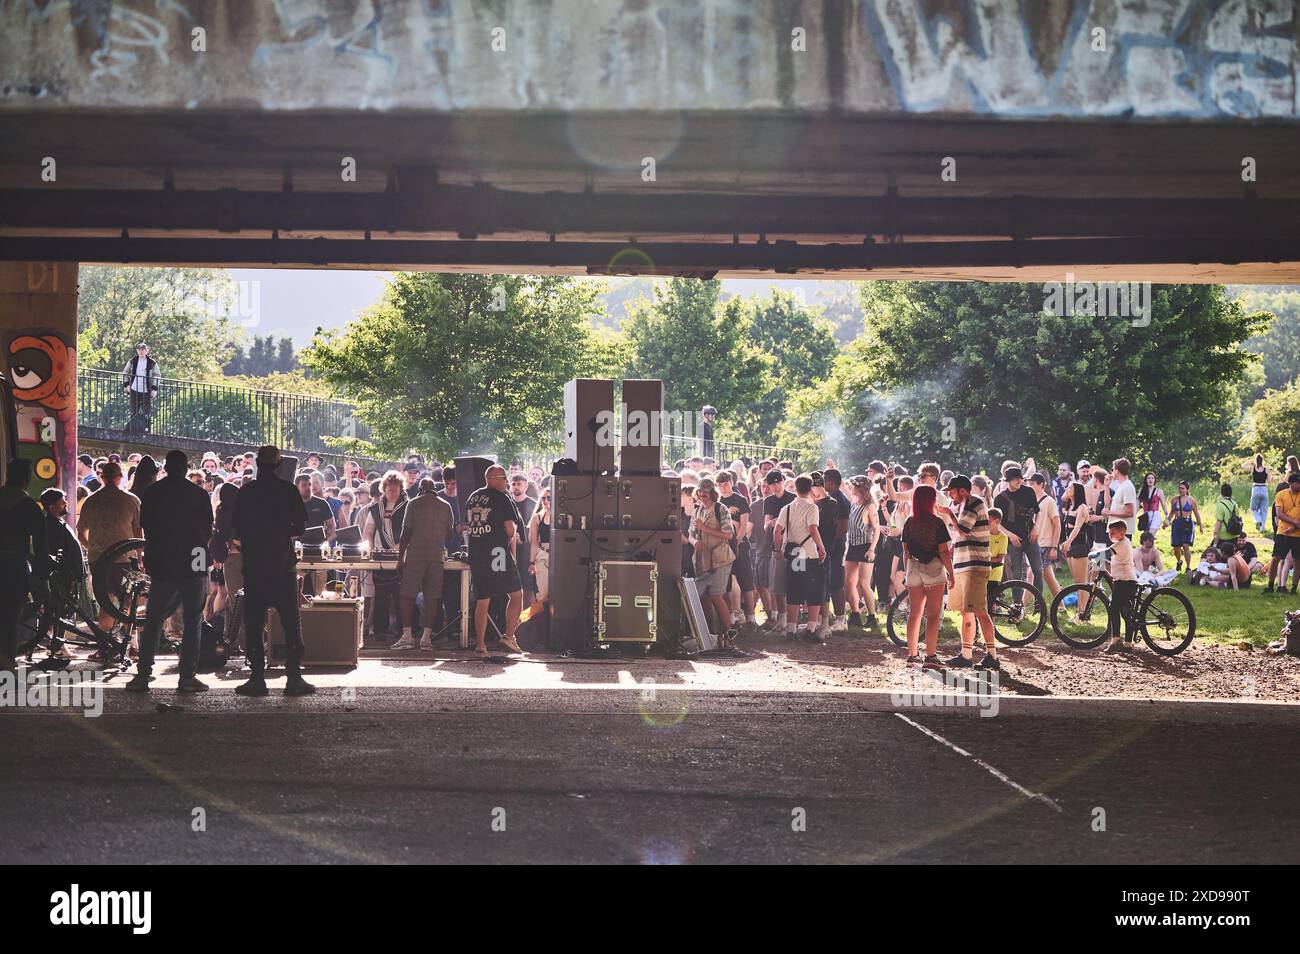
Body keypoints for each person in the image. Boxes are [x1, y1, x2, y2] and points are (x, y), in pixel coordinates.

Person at [126, 451, 214, 693]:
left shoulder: (153, 492)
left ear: (165, 467)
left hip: (163, 560)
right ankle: (187, 677)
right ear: (186, 468)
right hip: (194, 558)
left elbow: (146, 526)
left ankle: (143, 675)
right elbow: (208, 529)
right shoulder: (198, 493)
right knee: (193, 619)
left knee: (154, 618)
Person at [232, 445, 314, 696]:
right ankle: (293, 679)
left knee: (254, 625)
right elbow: (300, 527)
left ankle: (257, 679)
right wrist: (280, 532)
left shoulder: (247, 492)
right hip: (282, 566)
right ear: (279, 465)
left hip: (255, 567)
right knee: (291, 624)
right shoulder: (288, 490)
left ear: (258, 464)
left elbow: (237, 527)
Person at [462, 465, 525, 657]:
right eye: (504, 478)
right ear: (495, 478)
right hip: (497, 553)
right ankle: (508, 636)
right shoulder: (502, 497)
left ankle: (480, 645)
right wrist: (513, 532)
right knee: (516, 594)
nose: (506, 482)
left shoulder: (472, 497)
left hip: (477, 554)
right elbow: (509, 529)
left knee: (483, 599)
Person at [77, 460, 142, 637]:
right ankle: (131, 643)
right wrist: (140, 555)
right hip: (125, 559)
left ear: (101, 477)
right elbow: (138, 531)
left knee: (105, 601)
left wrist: (92, 548)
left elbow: (81, 532)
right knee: (127, 600)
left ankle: (105, 643)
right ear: (120, 477)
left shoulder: (91, 501)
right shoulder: (131, 500)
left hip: (98, 559)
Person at [393, 476, 454, 650]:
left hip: (415, 556)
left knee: (407, 595)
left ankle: (407, 636)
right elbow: (449, 535)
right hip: (436, 556)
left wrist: (400, 559)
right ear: (434, 488)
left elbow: (406, 533)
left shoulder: (413, 503)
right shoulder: (445, 505)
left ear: (420, 489)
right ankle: (426, 639)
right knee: (432, 597)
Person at [944, 475, 997, 670]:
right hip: (966, 565)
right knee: (966, 612)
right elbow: (963, 534)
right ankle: (966, 655)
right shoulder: (968, 505)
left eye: (952, 491)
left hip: (975, 565)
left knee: (980, 611)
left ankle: (992, 655)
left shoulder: (974, 503)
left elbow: (963, 529)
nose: (950, 495)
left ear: (963, 491)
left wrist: (949, 513)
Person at [0, 461, 49, 669]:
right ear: (27, 478)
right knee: (10, 618)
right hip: (14, 568)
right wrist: (43, 577)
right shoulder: (29, 506)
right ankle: (6, 666)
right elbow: (41, 544)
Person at [899, 484, 953, 670]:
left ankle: (912, 655)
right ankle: (930, 655)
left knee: (914, 614)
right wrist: (951, 574)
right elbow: (944, 551)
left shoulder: (909, 521)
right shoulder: (937, 522)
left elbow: (905, 551)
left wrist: (907, 571)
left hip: (913, 567)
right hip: (934, 569)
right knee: (932, 615)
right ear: (930, 501)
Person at [772, 474, 826, 644]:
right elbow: (813, 529)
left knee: (794, 591)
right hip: (809, 554)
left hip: (794, 553)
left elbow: (777, 531)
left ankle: (791, 629)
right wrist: (821, 547)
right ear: (811, 489)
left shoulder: (786, 508)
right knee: (814, 592)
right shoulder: (812, 508)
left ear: (795, 488)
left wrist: (778, 549)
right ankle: (810, 629)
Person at [690, 477, 737, 640]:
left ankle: (729, 630)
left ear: (712, 493)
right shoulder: (697, 510)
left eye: (707, 492)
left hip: (720, 558)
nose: (703, 495)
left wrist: (705, 529)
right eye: (701, 492)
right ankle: (708, 632)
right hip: (702, 560)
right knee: (702, 597)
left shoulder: (721, 509)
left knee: (717, 595)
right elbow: (690, 534)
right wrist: (694, 541)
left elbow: (729, 534)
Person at [716, 470, 756, 633]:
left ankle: (751, 617)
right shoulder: (718, 501)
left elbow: (744, 524)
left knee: (745, 579)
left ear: (732, 482)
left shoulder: (740, 499)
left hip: (739, 544)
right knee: (726, 582)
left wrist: (737, 542)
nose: (723, 487)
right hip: (723, 546)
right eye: (719, 484)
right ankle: (733, 615)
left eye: (725, 483)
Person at [842, 475, 880, 631]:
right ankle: (855, 614)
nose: (851, 488)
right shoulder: (854, 502)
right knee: (849, 583)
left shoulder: (870, 506)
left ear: (861, 488)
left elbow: (876, 529)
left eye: (854, 486)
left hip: (865, 546)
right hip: (852, 545)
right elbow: (844, 488)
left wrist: (872, 549)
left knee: (864, 583)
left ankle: (872, 617)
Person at [992, 466, 1039, 587]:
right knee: (1016, 574)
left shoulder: (1029, 492)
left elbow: (1038, 512)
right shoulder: (999, 499)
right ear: (1008, 481)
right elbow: (998, 523)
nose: (1019, 481)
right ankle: (1018, 604)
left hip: (1030, 537)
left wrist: (1035, 528)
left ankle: (1039, 605)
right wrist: (1010, 535)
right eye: (1015, 479)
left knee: (1038, 571)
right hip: (1013, 541)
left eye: (1020, 478)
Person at [1103, 520, 1138, 653]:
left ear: (1122, 533)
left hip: (1124, 581)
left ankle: (1116, 639)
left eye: (1113, 533)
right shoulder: (1124, 543)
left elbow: (1106, 553)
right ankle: (1128, 643)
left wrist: (1093, 553)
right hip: (1125, 580)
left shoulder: (1121, 545)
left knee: (1114, 609)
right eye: (1109, 533)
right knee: (1125, 611)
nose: (1110, 535)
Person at [1266, 472, 1300, 596]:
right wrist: (1294, 524)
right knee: (1276, 559)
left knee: (1297, 562)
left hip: (1298, 535)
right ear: (1291, 483)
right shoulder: (1281, 495)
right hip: (1283, 532)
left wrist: (1295, 527)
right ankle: (1270, 586)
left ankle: (1293, 588)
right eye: (1298, 483)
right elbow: (1279, 514)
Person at [1029, 472, 1061, 597]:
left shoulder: (1049, 501)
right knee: (1049, 577)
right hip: (1035, 544)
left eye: (1032, 483)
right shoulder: (1032, 501)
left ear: (1041, 484)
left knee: (1031, 576)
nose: (1029, 486)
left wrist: (1054, 547)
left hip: (1045, 544)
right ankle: (1061, 605)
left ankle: (1021, 608)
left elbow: (1057, 525)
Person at [525, 488, 552, 623]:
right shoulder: (537, 517)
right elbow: (534, 542)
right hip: (543, 554)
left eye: (549, 498)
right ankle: (541, 627)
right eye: (543, 498)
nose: (546, 501)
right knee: (542, 593)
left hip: (560, 555)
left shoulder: (563, 516)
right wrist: (531, 562)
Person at [1168, 480, 1202, 574]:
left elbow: (1196, 513)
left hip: (1187, 522)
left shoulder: (1191, 500)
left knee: (1186, 545)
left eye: (1183, 488)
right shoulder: (1174, 499)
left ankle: (1188, 567)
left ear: (1187, 489)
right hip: (1177, 522)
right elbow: (1172, 512)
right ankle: (1179, 561)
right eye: (1179, 488)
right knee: (1176, 547)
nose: (1181, 490)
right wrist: (1167, 522)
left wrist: (1200, 525)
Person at [121, 342, 159, 426]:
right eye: (139, 350)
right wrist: (127, 385)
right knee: (134, 411)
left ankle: (147, 430)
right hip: (134, 389)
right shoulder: (132, 361)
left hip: (146, 390)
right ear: (137, 351)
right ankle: (133, 430)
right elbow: (125, 372)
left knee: (146, 413)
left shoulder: (152, 362)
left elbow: (157, 375)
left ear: (147, 351)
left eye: (143, 350)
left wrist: (154, 389)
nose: (141, 352)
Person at [1212, 482, 1243, 547]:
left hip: (1223, 536)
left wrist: (1215, 533)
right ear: (1231, 493)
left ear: (1221, 493)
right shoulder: (1235, 504)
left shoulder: (1220, 504)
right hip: (1235, 534)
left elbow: (1219, 521)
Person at [1248, 453, 1272, 533]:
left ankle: (1258, 520)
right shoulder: (1266, 469)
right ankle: (1262, 528)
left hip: (1255, 489)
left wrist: (1251, 460)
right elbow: (1269, 481)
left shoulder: (1253, 468)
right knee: (1264, 510)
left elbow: (1243, 466)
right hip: (1264, 489)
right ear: (1262, 461)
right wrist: (1270, 474)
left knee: (1254, 508)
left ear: (1255, 460)